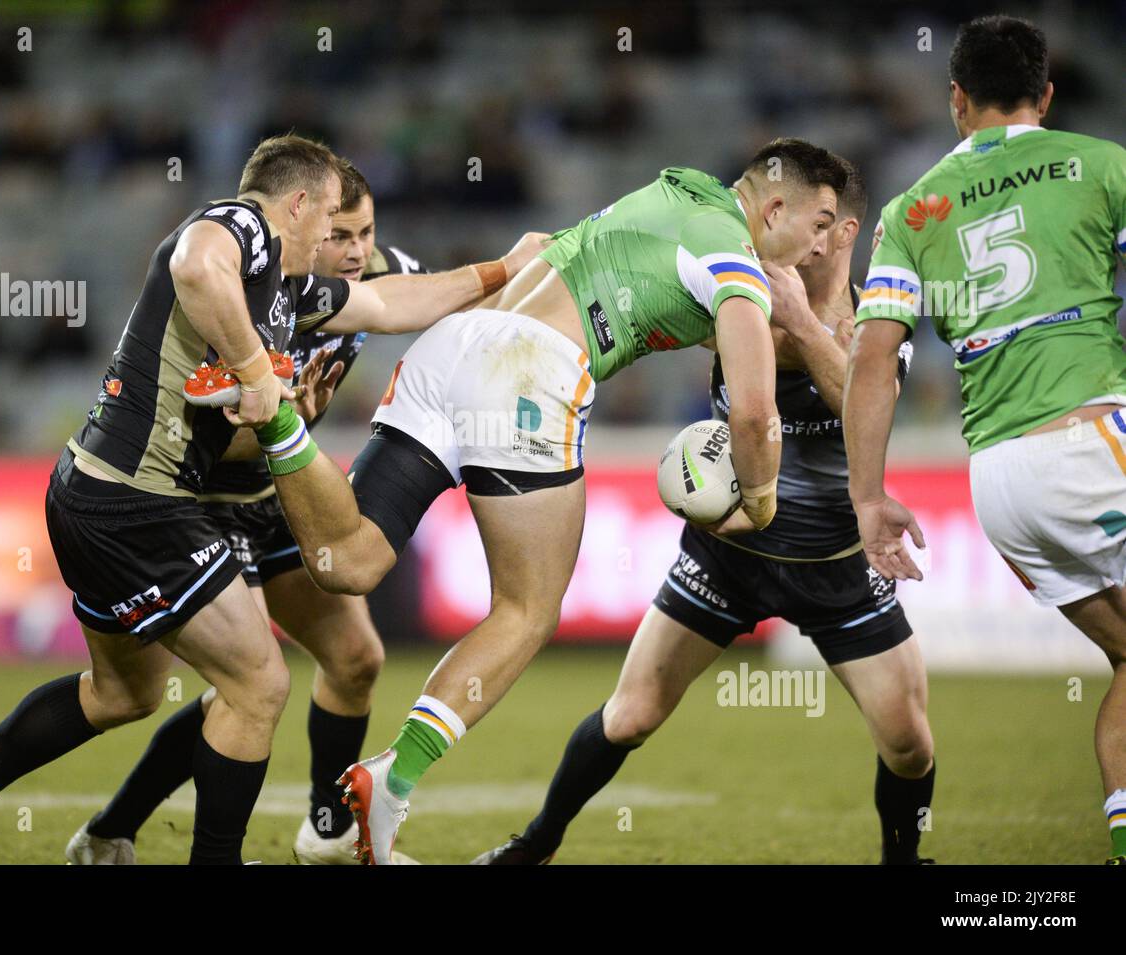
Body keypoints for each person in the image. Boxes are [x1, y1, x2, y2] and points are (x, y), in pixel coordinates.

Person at [0, 134, 544, 865]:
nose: (343, 239)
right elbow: (194, 261)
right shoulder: (244, 231)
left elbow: (389, 301)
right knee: (258, 682)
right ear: (298, 205)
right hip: (144, 504)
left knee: (124, 694)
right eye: (332, 220)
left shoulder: (292, 283)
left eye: (358, 228)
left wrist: (504, 268)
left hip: (102, 496)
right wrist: (256, 373)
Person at [241, 138, 847, 862]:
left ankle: (280, 424)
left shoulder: (676, 187)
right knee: (527, 611)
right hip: (532, 373)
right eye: (818, 224)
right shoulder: (736, 261)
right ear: (773, 207)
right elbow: (752, 412)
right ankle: (392, 779)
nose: (818, 247)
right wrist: (761, 496)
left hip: (455, 343)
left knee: (350, 561)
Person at [475, 162, 935, 864]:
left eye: (820, 228)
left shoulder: (878, 314)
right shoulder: (732, 290)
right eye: (797, 222)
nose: (804, 242)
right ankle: (532, 847)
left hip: (836, 565)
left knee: (908, 744)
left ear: (846, 232)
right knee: (628, 717)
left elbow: (867, 403)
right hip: (728, 556)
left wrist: (805, 324)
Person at [66, 159, 429, 865]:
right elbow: (213, 427)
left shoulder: (386, 275)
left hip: (277, 493)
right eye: (340, 233)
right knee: (245, 688)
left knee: (355, 657)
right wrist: (282, 413)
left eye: (367, 231)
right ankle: (116, 827)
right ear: (305, 226)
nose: (356, 250)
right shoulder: (257, 279)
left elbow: (437, 306)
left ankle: (327, 828)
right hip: (206, 496)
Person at [844, 15, 1126, 864]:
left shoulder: (909, 211)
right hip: (1094, 441)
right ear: (1045, 95)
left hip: (1002, 482)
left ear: (957, 101)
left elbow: (872, 360)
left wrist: (867, 499)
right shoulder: (1102, 164)